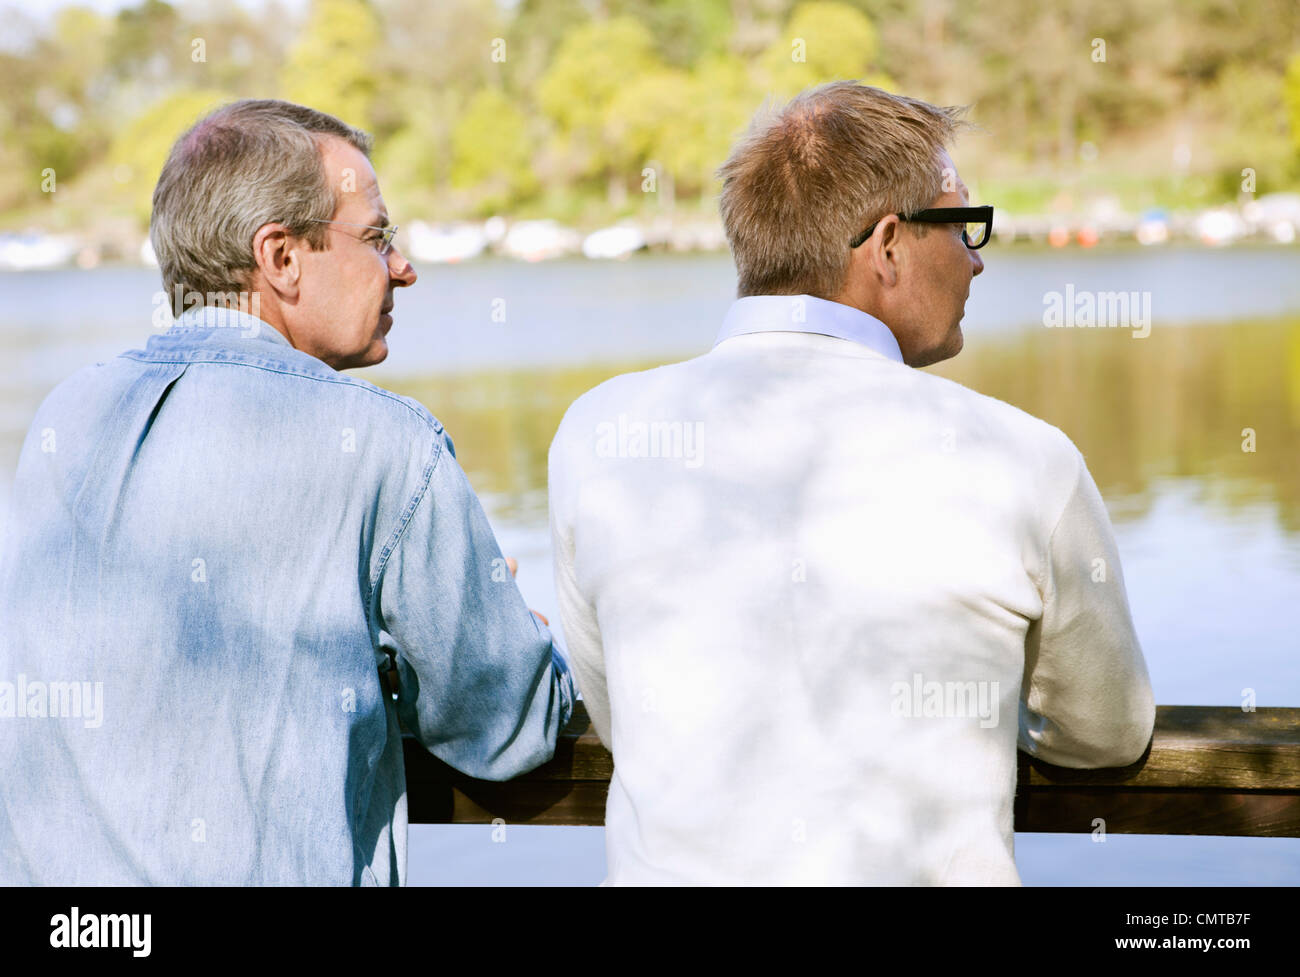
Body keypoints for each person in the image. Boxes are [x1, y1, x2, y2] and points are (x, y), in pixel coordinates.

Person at [547, 81, 1155, 884]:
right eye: (962, 222)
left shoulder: (598, 433)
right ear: (890, 245)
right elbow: (1107, 730)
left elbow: (626, 720)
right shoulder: (1021, 457)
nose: (976, 259)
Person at [0, 99, 573, 885]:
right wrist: (468, 641)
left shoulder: (65, 417)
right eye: (376, 237)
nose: (403, 267)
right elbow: (507, 726)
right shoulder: (386, 444)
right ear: (280, 257)